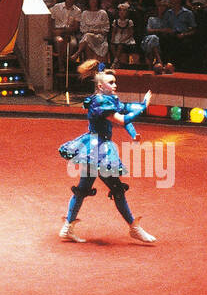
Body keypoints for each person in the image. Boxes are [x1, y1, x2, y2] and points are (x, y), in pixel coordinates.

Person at [57, 60, 156, 244]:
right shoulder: (100, 101)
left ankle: (67, 227)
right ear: (100, 86)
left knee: (84, 188)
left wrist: (134, 134)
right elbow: (121, 119)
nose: (115, 84)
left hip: (95, 148)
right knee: (116, 189)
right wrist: (143, 106)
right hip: (99, 149)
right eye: (111, 82)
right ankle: (134, 228)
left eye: (115, 82)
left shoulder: (109, 99)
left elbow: (125, 117)